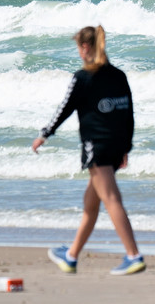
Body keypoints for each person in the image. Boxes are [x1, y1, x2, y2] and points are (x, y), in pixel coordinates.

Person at [31, 25, 145, 275]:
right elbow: (128, 114)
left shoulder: (82, 78)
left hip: (97, 148)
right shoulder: (118, 75)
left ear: (84, 48)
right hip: (116, 147)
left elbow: (65, 108)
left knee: (112, 200)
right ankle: (71, 257)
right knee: (90, 205)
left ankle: (133, 255)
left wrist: (44, 134)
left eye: (78, 48)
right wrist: (126, 147)